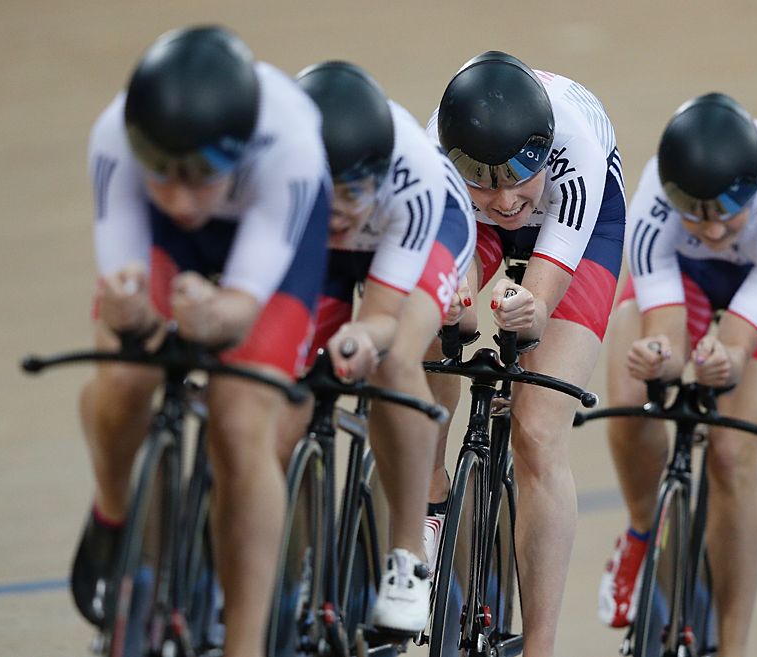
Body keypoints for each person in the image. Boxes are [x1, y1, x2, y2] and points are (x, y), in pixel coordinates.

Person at [71, 26, 330, 657]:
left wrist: (210, 318)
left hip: (271, 239)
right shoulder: (115, 137)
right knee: (125, 372)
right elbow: (127, 290)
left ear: (238, 153)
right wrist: (133, 312)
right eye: (162, 175)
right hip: (164, 242)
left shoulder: (290, 145)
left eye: (201, 176)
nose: (181, 199)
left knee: (240, 423)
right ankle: (113, 514)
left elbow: (239, 313)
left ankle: (244, 641)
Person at [599, 92, 757, 657]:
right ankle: (642, 531)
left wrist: (725, 361)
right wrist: (657, 358)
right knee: (630, 396)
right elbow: (667, 342)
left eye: (727, 213)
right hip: (685, 272)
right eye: (696, 214)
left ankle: (734, 644)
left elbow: (738, 351)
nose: (714, 230)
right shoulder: (652, 208)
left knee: (730, 453)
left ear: (753, 192)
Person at [426, 51, 626, 657]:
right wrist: (454, 305)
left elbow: (538, 309)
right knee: (434, 317)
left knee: (538, 432)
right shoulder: (434, 153)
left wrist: (525, 313)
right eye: (486, 180)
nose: (507, 198)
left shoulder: (576, 150)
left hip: (579, 225)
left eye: (519, 175)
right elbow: (451, 300)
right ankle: (431, 497)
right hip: (472, 225)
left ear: (542, 154)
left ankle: (540, 644)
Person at [296, 61, 476, 634]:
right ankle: (294, 548)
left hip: (426, 231)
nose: (340, 207)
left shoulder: (413, 171)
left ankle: (407, 555)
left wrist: (359, 337)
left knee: (396, 358)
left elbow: (378, 320)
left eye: (353, 191)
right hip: (327, 249)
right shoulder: (279, 171)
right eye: (327, 191)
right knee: (284, 375)